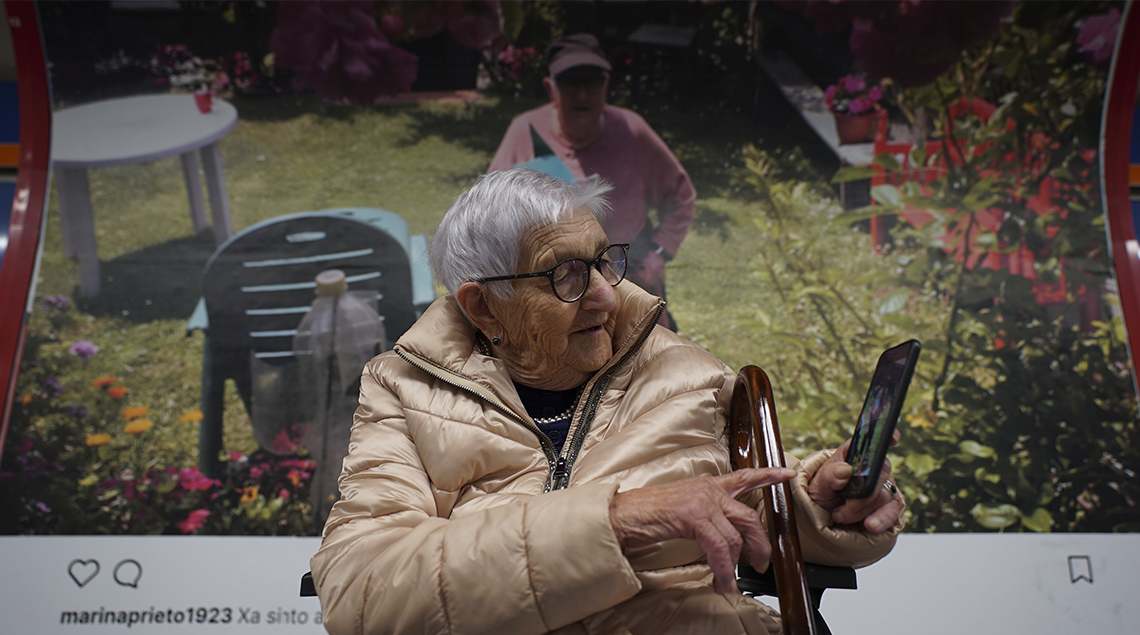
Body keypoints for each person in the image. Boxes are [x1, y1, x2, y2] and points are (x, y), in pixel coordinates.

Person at [310, 168, 904, 635]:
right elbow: (363, 585)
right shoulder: (404, 390)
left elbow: (753, 528)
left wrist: (820, 507)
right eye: (566, 276)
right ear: (485, 307)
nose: (604, 297)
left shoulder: (690, 373)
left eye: (602, 262)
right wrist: (615, 521)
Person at [488, 33, 694, 331]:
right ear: (550, 88)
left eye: (592, 81)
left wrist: (659, 253)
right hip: (553, 289)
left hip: (628, 277)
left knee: (650, 365)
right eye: (571, 82)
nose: (582, 94)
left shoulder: (632, 132)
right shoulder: (524, 133)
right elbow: (491, 216)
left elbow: (681, 195)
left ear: (606, 85)